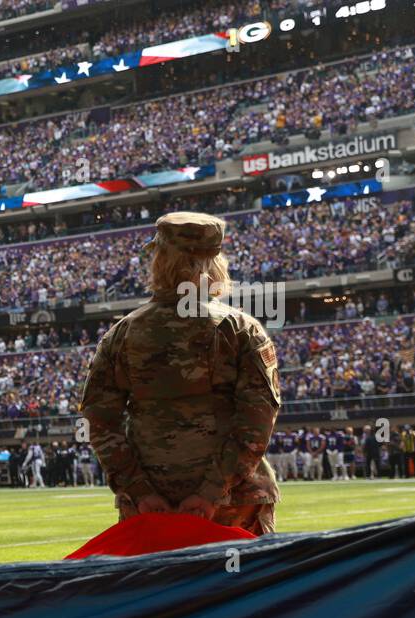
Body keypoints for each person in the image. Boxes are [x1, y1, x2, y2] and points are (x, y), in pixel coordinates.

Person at [79, 211, 280, 535]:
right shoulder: (241, 330)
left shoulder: (123, 334)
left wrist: (140, 490)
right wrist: (212, 491)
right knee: (243, 585)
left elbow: (99, 419)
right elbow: (256, 422)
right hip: (233, 503)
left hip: (150, 507)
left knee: (161, 586)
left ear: (159, 260)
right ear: (215, 263)